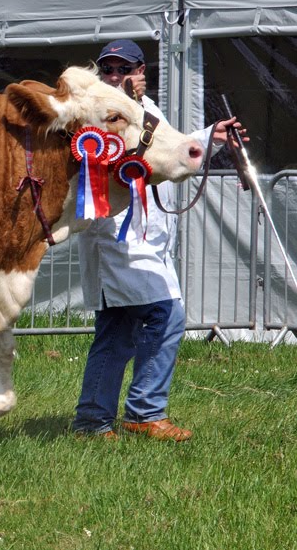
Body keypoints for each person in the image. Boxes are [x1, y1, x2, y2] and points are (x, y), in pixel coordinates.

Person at [71, 39, 247, 441]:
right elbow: (116, 162)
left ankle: (92, 421)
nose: (115, 76)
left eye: (123, 69)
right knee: (167, 315)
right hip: (115, 239)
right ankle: (144, 413)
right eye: (108, 70)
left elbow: (170, 148)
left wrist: (211, 136)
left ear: (141, 73)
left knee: (116, 331)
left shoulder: (147, 111)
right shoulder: (99, 119)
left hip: (145, 241)